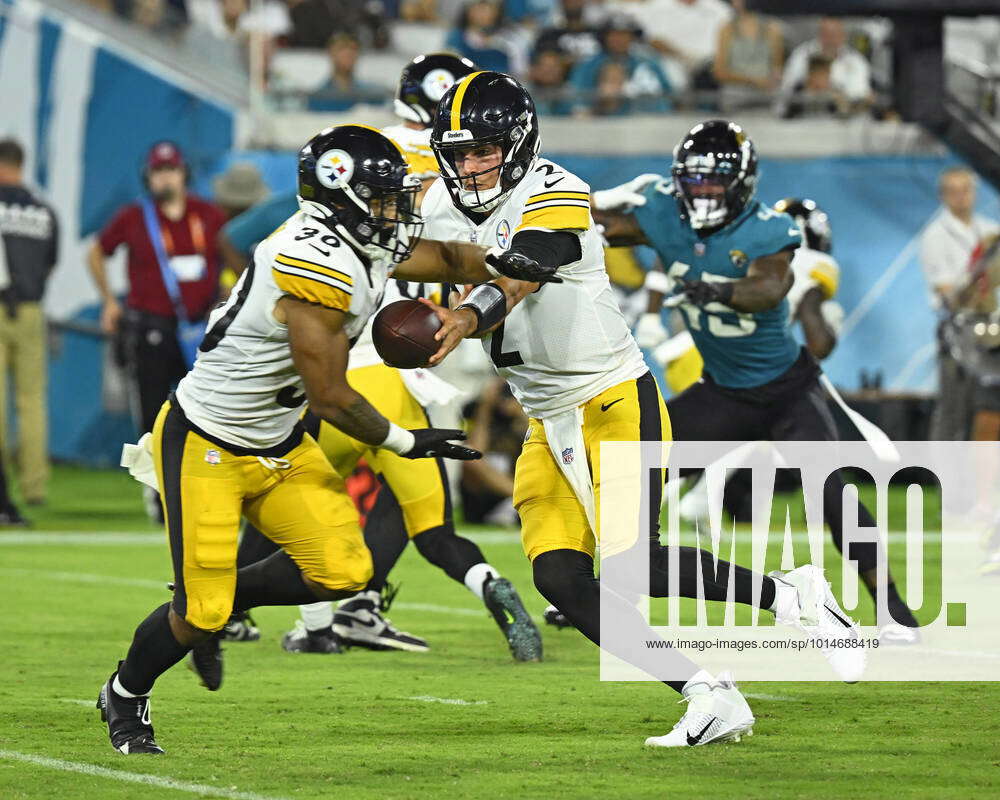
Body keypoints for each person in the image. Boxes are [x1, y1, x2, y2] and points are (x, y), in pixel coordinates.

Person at [419, 73, 864, 747]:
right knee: (560, 576)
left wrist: (463, 313)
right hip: (548, 417)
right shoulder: (441, 209)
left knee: (632, 565)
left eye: (482, 151)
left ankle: (793, 594)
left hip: (614, 397)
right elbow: (409, 260)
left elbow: (525, 266)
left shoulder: (554, 189)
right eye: (458, 154)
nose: (469, 167)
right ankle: (709, 692)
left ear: (515, 144)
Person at [98, 123, 559, 755]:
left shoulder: (363, 235)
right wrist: (406, 442)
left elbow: (450, 257)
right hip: (208, 439)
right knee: (199, 615)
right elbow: (331, 397)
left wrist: (514, 261)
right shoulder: (311, 264)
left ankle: (220, 592)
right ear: (341, 198)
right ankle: (125, 694)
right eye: (381, 196)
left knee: (344, 569)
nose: (394, 209)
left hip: (278, 440)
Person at [594, 120, 920, 646]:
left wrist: (715, 291)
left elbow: (767, 289)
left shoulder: (769, 229)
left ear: (741, 183)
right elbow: (595, 225)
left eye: (714, 180)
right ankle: (614, 587)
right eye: (694, 180)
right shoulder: (661, 211)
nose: (702, 192)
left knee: (831, 490)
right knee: (636, 468)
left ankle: (893, 609)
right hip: (723, 391)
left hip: (787, 389)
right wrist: (583, 199)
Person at [88, 141, 226, 520]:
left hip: (200, 329)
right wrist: (109, 301)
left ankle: (205, 487)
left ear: (184, 173)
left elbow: (231, 257)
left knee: (205, 412)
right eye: (158, 172)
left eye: (171, 170)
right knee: (152, 413)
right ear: (149, 177)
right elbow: (97, 251)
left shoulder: (208, 215)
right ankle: (155, 492)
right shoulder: (134, 217)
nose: (165, 177)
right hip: (150, 326)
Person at [0, 138, 59, 507]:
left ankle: (1, 486)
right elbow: (50, 263)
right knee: (32, 401)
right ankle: (34, 487)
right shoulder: (44, 212)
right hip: (32, 309)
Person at [920, 167, 999, 441]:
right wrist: (978, 273)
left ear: (974, 193)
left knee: (990, 404)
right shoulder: (935, 235)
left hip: (991, 325)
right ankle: (946, 477)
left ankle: (983, 479)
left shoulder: (990, 231)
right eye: (953, 191)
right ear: (943, 196)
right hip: (958, 325)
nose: (961, 197)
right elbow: (947, 294)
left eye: (965, 190)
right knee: (954, 406)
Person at [568, 13, 672, 115]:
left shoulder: (649, 63)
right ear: (604, 37)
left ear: (632, 37)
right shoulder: (587, 65)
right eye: (614, 34)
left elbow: (669, 94)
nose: (619, 39)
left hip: (649, 121)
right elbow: (578, 101)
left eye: (624, 34)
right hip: (601, 123)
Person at [778, 17, 872, 117]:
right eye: (826, 35)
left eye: (834, 35)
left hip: (843, 119)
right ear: (819, 35)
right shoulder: (801, 55)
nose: (830, 40)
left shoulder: (856, 61)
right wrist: (808, 88)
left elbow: (860, 94)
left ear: (843, 36)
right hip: (803, 116)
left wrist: (834, 94)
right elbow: (786, 92)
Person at [712, 0, 782, 111]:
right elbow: (719, 72)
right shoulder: (726, 30)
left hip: (765, 94)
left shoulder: (772, 29)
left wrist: (772, 79)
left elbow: (777, 67)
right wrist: (753, 80)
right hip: (735, 94)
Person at [307, 32, 383, 113]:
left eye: (353, 49)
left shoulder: (371, 96)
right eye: (341, 49)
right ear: (331, 53)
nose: (348, 53)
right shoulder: (318, 98)